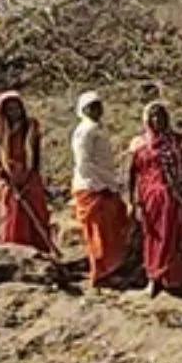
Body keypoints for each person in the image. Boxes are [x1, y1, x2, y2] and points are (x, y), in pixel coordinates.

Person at [128, 101, 182, 297]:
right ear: (147, 120)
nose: (157, 120)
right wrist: (133, 200)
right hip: (151, 199)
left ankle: (173, 279)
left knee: (174, 238)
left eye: (161, 115)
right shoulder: (139, 144)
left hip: (175, 198)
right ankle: (154, 277)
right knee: (154, 238)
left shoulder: (179, 142)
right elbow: (133, 174)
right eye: (153, 116)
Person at [70, 91, 131, 289]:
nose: (96, 110)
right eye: (91, 107)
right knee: (99, 233)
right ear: (83, 110)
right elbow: (83, 163)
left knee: (111, 229)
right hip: (93, 187)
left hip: (104, 184)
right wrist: (100, 185)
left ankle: (110, 268)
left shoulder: (96, 129)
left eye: (98, 106)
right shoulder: (85, 131)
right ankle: (101, 273)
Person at [0, 91, 53, 255]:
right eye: (10, 109)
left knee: (36, 210)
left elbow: (36, 153)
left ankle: (40, 247)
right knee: (12, 212)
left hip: (28, 174)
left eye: (16, 108)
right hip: (8, 175)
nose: (14, 112)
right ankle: (15, 248)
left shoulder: (30, 125)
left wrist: (32, 176)